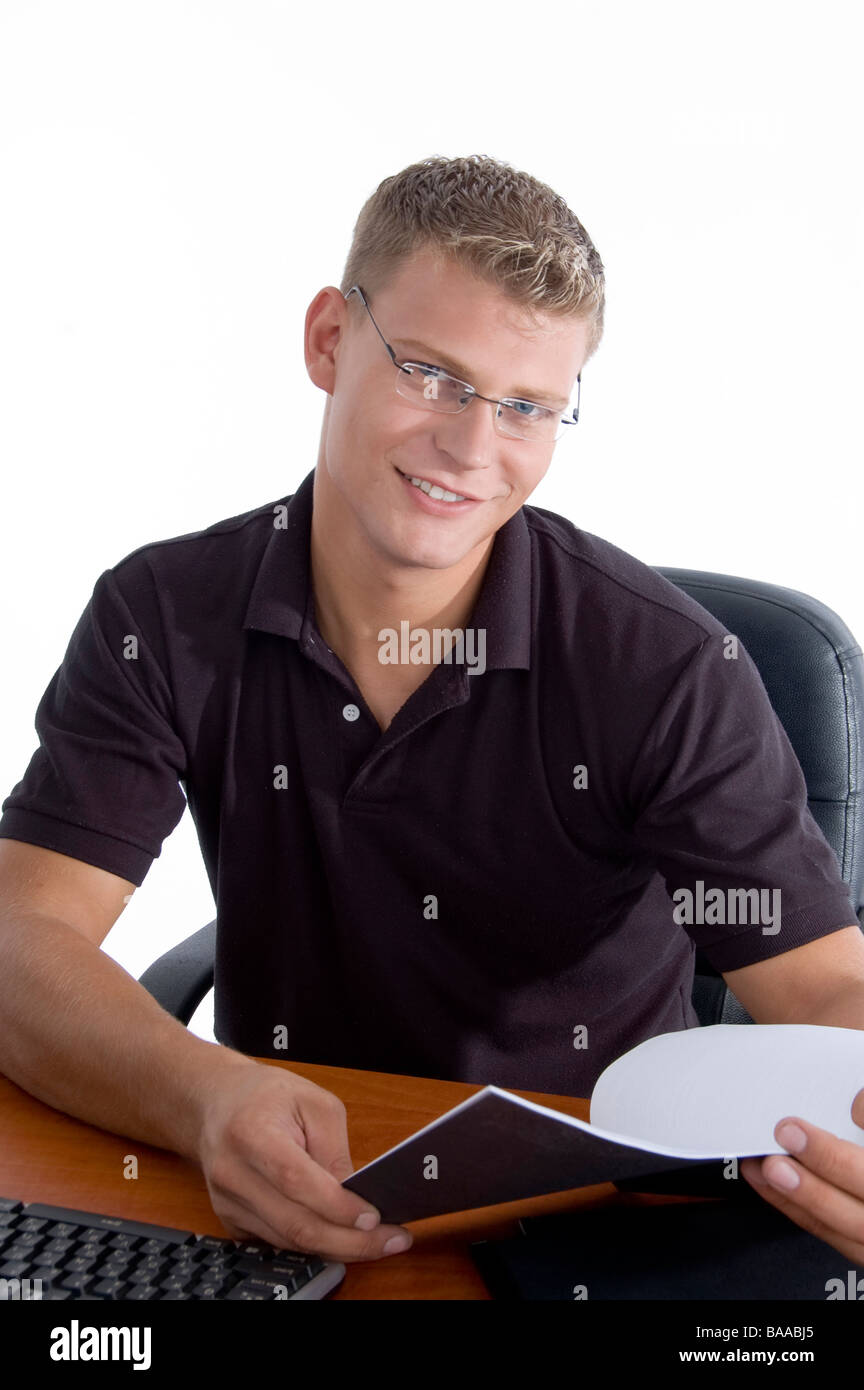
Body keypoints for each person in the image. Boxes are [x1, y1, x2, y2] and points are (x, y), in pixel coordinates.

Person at [1, 154, 863, 1272]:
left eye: (526, 407)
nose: (471, 447)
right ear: (328, 339)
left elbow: (829, 988)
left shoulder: (666, 665)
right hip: (281, 1190)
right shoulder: (161, 612)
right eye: (432, 375)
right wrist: (202, 1094)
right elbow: (23, 939)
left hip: (597, 1227)